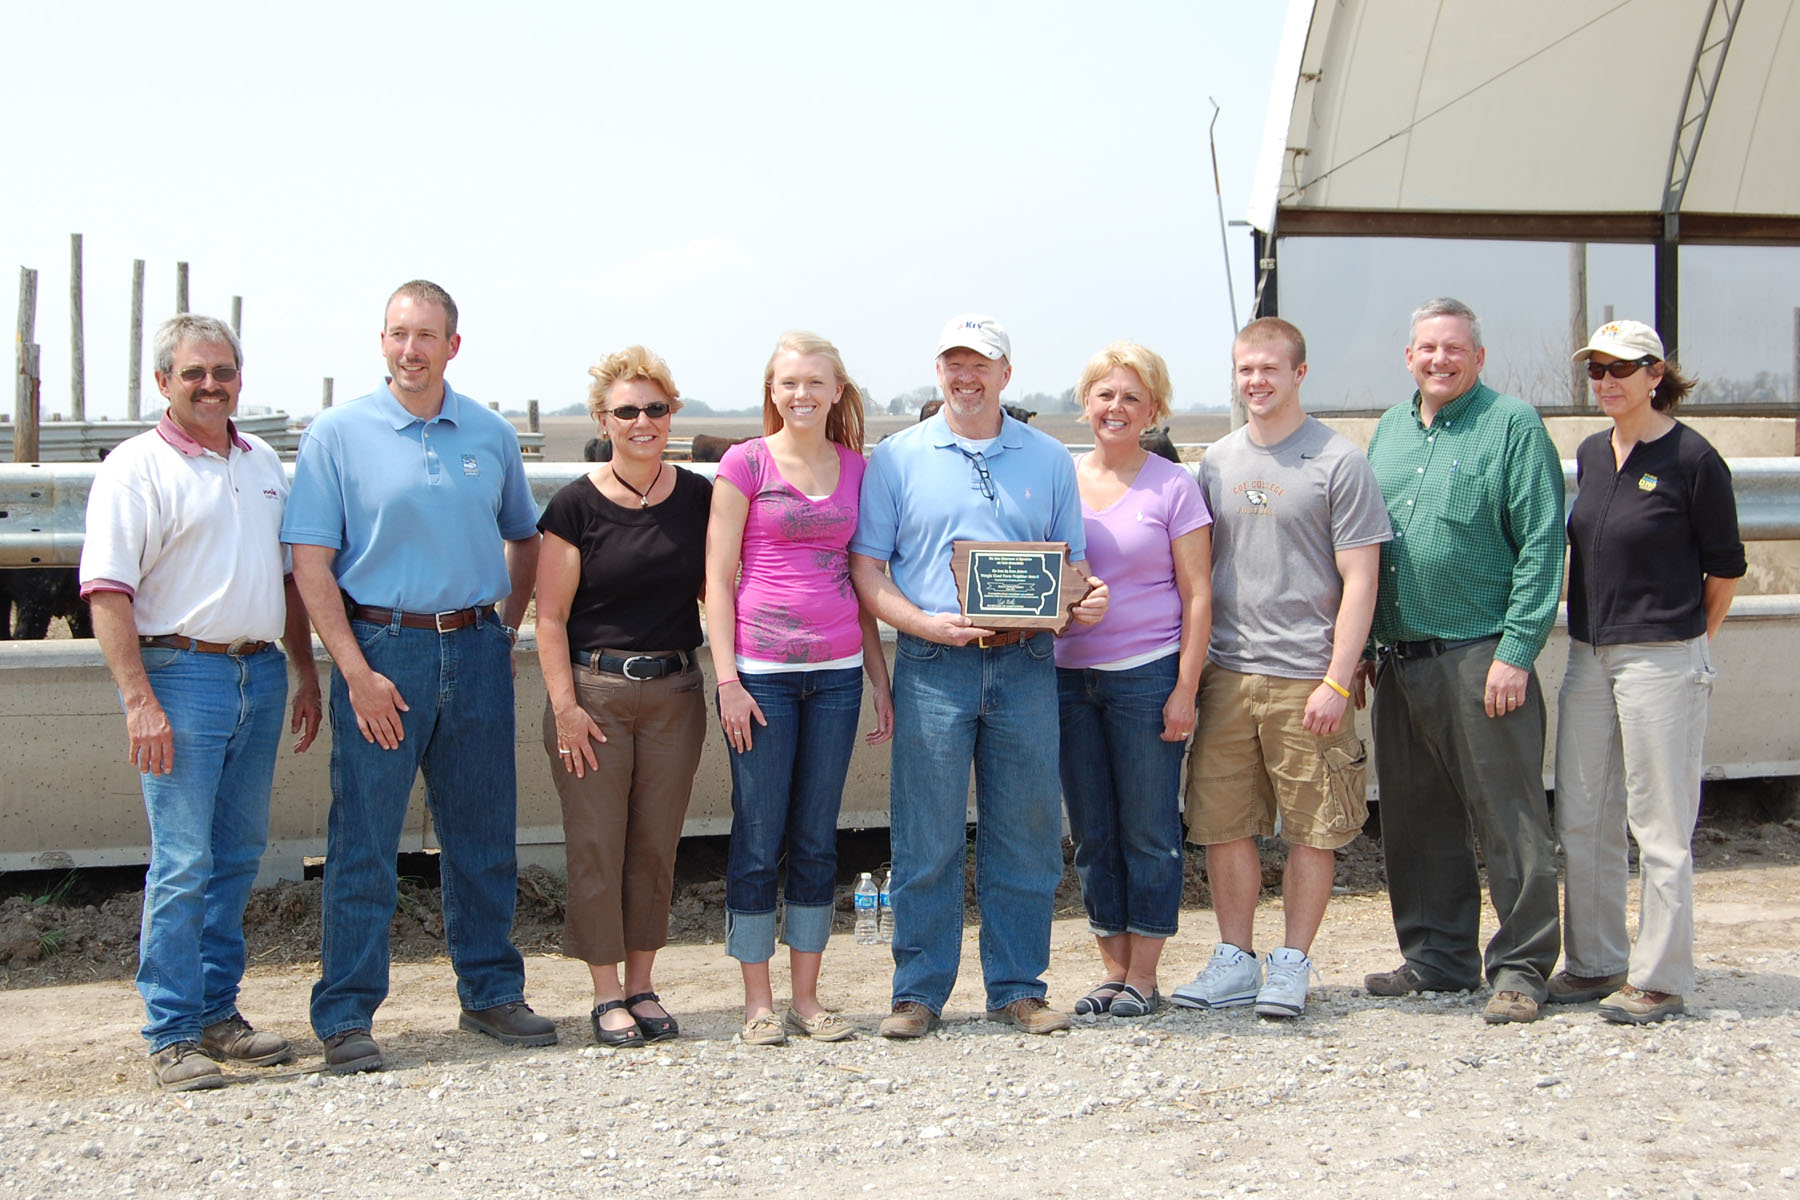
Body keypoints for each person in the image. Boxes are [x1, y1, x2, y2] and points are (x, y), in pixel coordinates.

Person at [283, 280, 553, 1072]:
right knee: (364, 840)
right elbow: (309, 561)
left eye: (427, 335)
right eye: (399, 334)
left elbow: (524, 539)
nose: (411, 349)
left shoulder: (491, 435)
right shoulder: (336, 435)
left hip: (474, 648)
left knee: (483, 832)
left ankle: (492, 993)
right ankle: (345, 1015)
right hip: (381, 652)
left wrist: (504, 630)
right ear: (382, 341)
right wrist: (354, 670)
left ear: (452, 346)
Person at [850, 313, 1109, 1039]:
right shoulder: (896, 458)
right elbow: (867, 569)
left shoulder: (1051, 458)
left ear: (1005, 373)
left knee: (1024, 834)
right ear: (938, 373)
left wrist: (1085, 600)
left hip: (1027, 665)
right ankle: (918, 992)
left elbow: (1072, 565)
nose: (966, 377)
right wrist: (923, 624)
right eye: (953, 364)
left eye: (981, 364)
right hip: (934, 664)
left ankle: (1019, 987)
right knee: (926, 836)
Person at [81, 314, 322, 1091]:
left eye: (222, 371)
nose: (210, 384)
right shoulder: (136, 468)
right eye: (193, 374)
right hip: (181, 676)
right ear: (163, 383)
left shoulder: (260, 464)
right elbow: (108, 591)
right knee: (183, 860)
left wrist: (303, 671)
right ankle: (172, 1031)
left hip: (258, 673)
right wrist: (138, 700)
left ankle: (218, 1011)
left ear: (240, 379)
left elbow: (286, 582)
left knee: (236, 855)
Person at [1356, 297, 1566, 1025]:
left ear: (1478, 358)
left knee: (1508, 817)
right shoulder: (1387, 431)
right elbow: (1364, 550)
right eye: (1426, 349)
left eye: (1453, 349)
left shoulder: (1511, 426)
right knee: (1416, 817)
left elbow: (1543, 542)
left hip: (1483, 656)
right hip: (1398, 660)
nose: (1438, 360)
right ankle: (1438, 959)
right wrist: (1359, 648)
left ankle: (1521, 968)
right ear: (1408, 356)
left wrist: (1518, 651)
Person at [1174, 317, 1390, 1019]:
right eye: (1244, 370)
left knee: (1312, 826)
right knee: (1223, 823)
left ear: (1300, 373)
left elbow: (1362, 579)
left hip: (1308, 678)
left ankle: (1292, 962)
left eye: (1269, 369)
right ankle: (1235, 959)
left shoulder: (1338, 461)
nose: (1256, 381)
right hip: (1229, 673)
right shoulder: (1219, 461)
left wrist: (1337, 676)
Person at [703, 332, 894, 1046]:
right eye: (788, 383)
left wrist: (879, 678)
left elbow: (862, 579)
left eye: (815, 382)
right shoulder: (744, 464)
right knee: (758, 837)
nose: (801, 394)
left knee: (816, 839)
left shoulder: (858, 470)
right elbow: (717, 583)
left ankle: (807, 999)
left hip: (838, 676)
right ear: (772, 391)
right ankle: (758, 1003)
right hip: (761, 679)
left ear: (837, 390)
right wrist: (727, 680)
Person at [1552, 320, 1744, 1025]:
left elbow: (1723, 571)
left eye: (1621, 368)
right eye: (1596, 369)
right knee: (1582, 812)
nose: (1606, 381)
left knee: (1658, 824)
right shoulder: (1593, 454)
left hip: (1661, 657)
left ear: (1655, 375)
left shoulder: (1695, 460)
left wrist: (1685, 646)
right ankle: (1595, 960)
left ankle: (1660, 975)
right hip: (1589, 653)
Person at [536, 345, 712, 1048]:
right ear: (602, 421)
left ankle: (642, 984)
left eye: (656, 409)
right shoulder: (574, 507)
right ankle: (605, 994)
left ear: (672, 415)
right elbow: (548, 618)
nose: (643, 422)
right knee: (596, 846)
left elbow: (720, 592)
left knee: (655, 846)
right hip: (596, 696)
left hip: (677, 691)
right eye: (627, 411)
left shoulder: (701, 498)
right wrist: (565, 707)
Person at [1053, 342, 1211, 1019]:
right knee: (1092, 831)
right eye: (1105, 394)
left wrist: (1185, 688)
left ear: (1154, 409)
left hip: (1147, 678)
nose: (1116, 407)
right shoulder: (1057, 480)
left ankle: (1145, 975)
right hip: (1066, 680)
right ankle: (1111, 970)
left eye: (1131, 397)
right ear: (1086, 402)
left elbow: (1199, 594)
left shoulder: (1173, 486)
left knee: (1148, 829)